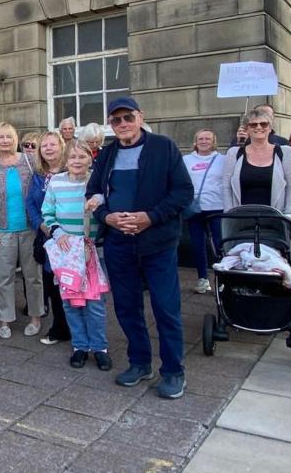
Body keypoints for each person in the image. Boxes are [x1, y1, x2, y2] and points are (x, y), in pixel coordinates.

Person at [86, 97, 193, 399]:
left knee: (165, 307)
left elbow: (183, 192)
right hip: (119, 244)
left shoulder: (164, 147)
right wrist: (107, 216)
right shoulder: (107, 155)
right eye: (116, 120)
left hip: (157, 243)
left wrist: (150, 217)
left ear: (140, 117)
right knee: (127, 307)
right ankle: (140, 362)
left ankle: (173, 371)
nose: (122, 124)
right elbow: (93, 193)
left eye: (128, 118)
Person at [42, 141, 111, 371]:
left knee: (95, 302)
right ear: (66, 160)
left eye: (82, 157)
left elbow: (107, 203)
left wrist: (99, 200)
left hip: (92, 250)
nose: (77, 161)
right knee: (71, 302)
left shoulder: (97, 182)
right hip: (66, 251)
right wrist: (57, 231)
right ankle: (79, 346)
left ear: (90, 159)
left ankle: (99, 347)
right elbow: (47, 212)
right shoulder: (56, 181)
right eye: (72, 157)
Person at [0, 122, 43, 339]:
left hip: (29, 228)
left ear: (15, 139)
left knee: (33, 276)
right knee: (4, 277)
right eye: (1, 137)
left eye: (9, 136)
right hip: (1, 230)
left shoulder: (29, 161)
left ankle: (36, 316)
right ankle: (4, 320)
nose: (5, 141)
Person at [27, 131, 70, 345]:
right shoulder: (38, 175)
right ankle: (60, 327)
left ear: (61, 147)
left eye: (53, 144)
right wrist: (41, 226)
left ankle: (77, 329)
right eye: (44, 146)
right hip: (46, 237)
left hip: (70, 237)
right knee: (52, 285)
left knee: (71, 284)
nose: (49, 148)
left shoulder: (71, 170)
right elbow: (31, 204)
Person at [222, 106, 291, 215]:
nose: (258, 127)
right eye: (253, 124)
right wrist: (229, 215)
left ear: (270, 127)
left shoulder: (285, 152)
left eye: (263, 124)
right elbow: (226, 187)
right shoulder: (234, 153)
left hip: (276, 219)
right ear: (246, 128)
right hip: (240, 219)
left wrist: (290, 214)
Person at [182, 129, 225, 294]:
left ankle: (221, 279)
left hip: (217, 207)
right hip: (194, 209)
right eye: (201, 138)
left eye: (208, 138)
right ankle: (202, 279)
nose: (204, 141)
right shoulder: (186, 160)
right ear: (195, 141)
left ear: (214, 141)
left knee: (219, 244)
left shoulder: (223, 159)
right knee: (197, 245)